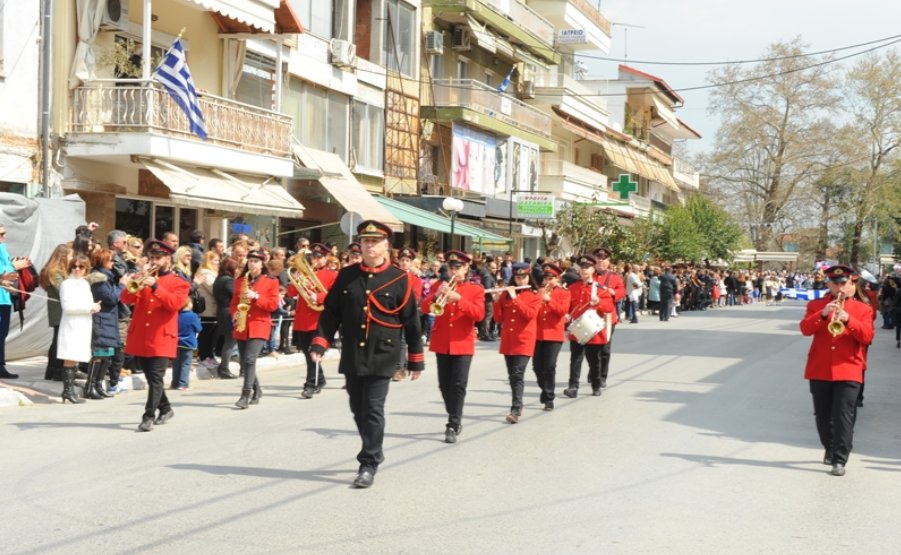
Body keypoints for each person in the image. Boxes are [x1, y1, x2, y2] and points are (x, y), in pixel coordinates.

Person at [309, 220, 424, 489]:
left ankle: (368, 462)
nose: (370, 245)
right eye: (366, 241)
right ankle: (375, 448)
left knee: (373, 408)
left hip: (383, 354)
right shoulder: (347, 275)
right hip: (353, 352)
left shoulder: (400, 279)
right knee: (357, 407)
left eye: (375, 241)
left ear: (386, 245)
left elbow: (412, 322)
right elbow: (331, 313)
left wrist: (415, 359)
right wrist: (320, 342)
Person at [799, 264, 873, 477]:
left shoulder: (863, 309)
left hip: (849, 367)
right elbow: (805, 330)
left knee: (843, 415)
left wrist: (849, 320)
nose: (840, 286)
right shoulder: (816, 305)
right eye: (835, 283)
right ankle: (829, 448)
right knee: (822, 416)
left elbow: (867, 337)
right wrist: (822, 315)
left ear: (851, 284)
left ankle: (840, 458)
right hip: (820, 368)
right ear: (828, 284)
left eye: (844, 283)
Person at [121, 240, 191, 432]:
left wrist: (156, 288)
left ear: (168, 259)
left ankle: (148, 415)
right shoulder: (142, 277)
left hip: (162, 336)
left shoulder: (179, 283)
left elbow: (175, 304)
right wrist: (133, 282)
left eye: (158, 258)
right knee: (151, 378)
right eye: (151, 258)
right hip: (142, 336)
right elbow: (126, 299)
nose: (154, 262)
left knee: (156, 378)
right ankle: (166, 408)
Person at [420, 250, 484, 444]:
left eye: (458, 267)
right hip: (442, 342)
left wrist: (460, 300)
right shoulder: (440, 285)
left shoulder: (476, 289)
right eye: (451, 267)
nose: (454, 270)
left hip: (463, 342)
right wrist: (435, 296)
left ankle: (453, 423)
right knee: (444, 385)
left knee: (458, 384)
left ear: (466, 268)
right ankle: (454, 412)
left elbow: (479, 315)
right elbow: (424, 308)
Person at [287, 243, 337, 398]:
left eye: (320, 257)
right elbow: (291, 292)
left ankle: (310, 384)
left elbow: (335, 295)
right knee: (306, 351)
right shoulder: (305, 272)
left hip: (319, 318)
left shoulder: (332, 275)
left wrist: (319, 297)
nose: (316, 260)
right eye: (314, 256)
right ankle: (319, 379)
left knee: (312, 352)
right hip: (303, 318)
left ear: (327, 257)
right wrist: (295, 279)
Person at [492, 263, 540, 423]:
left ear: (528, 277)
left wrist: (515, 297)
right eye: (517, 278)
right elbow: (499, 319)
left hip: (524, 341)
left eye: (523, 277)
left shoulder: (535, 294)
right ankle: (517, 403)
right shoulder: (506, 294)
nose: (520, 281)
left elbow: (530, 314)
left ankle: (516, 408)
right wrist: (497, 301)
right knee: (512, 375)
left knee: (517, 374)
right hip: (508, 341)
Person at [232, 251, 280, 408]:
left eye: (256, 261)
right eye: (251, 261)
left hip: (259, 324)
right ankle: (257, 390)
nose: (252, 264)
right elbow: (233, 303)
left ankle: (245, 395)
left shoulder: (271, 281)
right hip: (242, 325)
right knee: (245, 363)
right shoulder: (240, 280)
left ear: (262, 264)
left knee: (250, 359)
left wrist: (257, 297)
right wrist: (234, 314)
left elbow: (273, 305)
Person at [564, 255, 616, 398]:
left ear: (593, 270)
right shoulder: (573, 287)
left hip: (593, 330)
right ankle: (573, 386)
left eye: (587, 268)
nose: (584, 270)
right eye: (582, 268)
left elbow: (609, 307)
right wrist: (566, 316)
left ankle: (596, 384)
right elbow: (568, 306)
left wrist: (599, 302)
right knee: (576, 358)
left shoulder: (600, 289)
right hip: (578, 328)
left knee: (594, 360)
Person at [57, 255, 101, 403]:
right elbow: (68, 307)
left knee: (75, 357)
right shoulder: (67, 284)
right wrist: (89, 308)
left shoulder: (84, 283)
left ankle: (69, 391)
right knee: (70, 357)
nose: (77, 269)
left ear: (86, 268)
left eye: (80, 267)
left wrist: (94, 307)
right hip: (72, 325)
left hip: (83, 324)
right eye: (74, 266)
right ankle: (67, 391)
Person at [85, 249, 125, 399]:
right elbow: (111, 299)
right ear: (102, 261)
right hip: (102, 320)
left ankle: (98, 385)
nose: (112, 263)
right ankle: (90, 386)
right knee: (99, 354)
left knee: (107, 355)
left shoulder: (107, 277)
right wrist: (121, 286)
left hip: (108, 319)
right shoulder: (99, 279)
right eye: (110, 260)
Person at [532, 262, 570, 411]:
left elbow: (562, 311)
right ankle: (545, 389)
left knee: (549, 366)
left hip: (554, 334)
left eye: (551, 278)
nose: (547, 281)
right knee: (537, 367)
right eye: (545, 278)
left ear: (557, 278)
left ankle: (549, 397)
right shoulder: (538, 292)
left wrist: (549, 300)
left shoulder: (564, 293)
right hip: (537, 334)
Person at [0, 223, 32, 379]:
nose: (4, 237)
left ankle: (1, 366)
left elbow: (6, 272)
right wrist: (14, 265)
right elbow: (5, 270)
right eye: (1, 234)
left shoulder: (3, 248)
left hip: (4, 298)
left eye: (4, 233)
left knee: (2, 333)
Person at [39, 244, 73, 381]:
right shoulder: (55, 271)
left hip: (61, 310)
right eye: (70, 255)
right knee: (58, 341)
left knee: (58, 340)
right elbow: (62, 290)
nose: (72, 258)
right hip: (59, 311)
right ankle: (55, 370)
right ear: (63, 256)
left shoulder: (61, 271)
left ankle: (53, 371)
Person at [593, 248, 625, 389]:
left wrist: (614, 292)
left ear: (608, 261)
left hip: (607, 318)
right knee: (591, 349)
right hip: (591, 317)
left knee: (605, 349)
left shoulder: (615, 277)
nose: (601, 261)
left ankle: (601, 376)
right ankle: (593, 373)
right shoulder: (589, 275)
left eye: (603, 259)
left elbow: (622, 291)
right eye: (598, 258)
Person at [392, 247, 423, 381]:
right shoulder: (392, 276)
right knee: (395, 340)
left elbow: (416, 296)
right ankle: (399, 365)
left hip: (408, 312)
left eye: (407, 260)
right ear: (398, 261)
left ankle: (399, 369)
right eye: (402, 260)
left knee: (403, 340)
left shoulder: (415, 279)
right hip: (393, 311)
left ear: (411, 263)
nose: (404, 263)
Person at [213, 257, 240, 379]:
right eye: (236, 268)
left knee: (229, 340)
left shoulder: (219, 279)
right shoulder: (228, 280)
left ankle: (223, 367)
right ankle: (224, 368)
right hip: (228, 311)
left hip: (222, 311)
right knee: (230, 341)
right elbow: (236, 295)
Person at [195, 250, 220, 369]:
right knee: (205, 332)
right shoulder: (206, 273)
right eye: (215, 260)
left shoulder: (213, 272)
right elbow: (213, 288)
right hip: (208, 307)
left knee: (211, 333)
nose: (217, 263)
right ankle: (203, 356)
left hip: (213, 307)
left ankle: (210, 355)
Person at [171, 298, 202, 390]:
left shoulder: (175, 315)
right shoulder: (193, 316)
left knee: (176, 363)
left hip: (176, 342)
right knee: (186, 364)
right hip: (188, 342)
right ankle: (183, 384)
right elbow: (199, 328)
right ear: (188, 304)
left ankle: (175, 383)